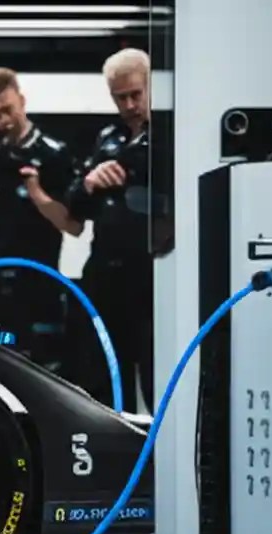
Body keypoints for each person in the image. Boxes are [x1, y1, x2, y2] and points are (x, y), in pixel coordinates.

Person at [0, 67, 80, 361]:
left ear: (22, 101)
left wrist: (37, 194)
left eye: (8, 110)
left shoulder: (54, 153)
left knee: (41, 370)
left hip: (40, 282)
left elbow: (73, 225)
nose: (3, 120)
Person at [63, 48, 158, 412]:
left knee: (154, 374)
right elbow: (74, 207)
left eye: (136, 94)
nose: (130, 105)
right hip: (105, 271)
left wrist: (127, 177)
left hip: (150, 274)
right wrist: (91, 181)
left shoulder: (171, 138)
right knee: (103, 376)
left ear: (150, 87)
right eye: (121, 98)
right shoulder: (107, 138)